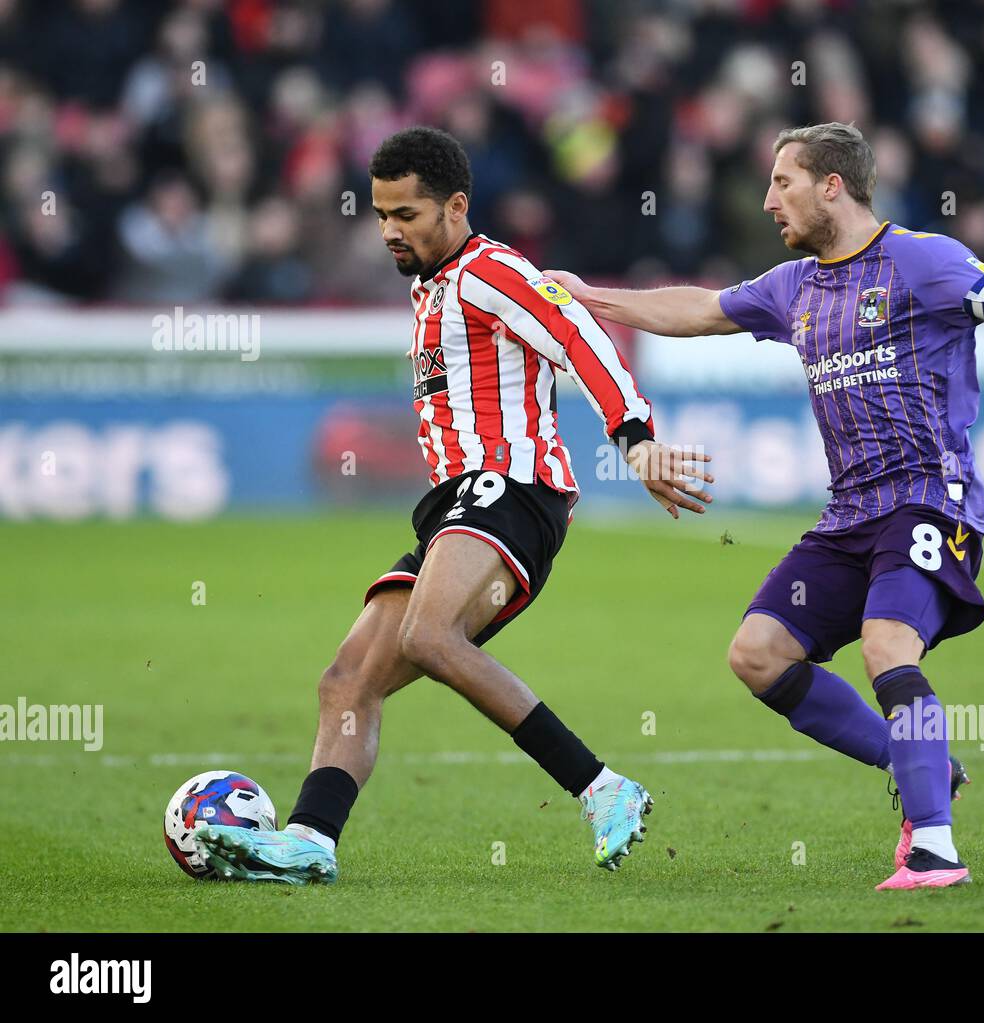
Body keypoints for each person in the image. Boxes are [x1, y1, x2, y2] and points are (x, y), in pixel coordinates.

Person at [546, 121, 984, 890]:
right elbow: (697, 309)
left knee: (886, 643)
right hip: (850, 515)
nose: (770, 201)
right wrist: (589, 295)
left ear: (832, 185)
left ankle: (935, 845)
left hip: (931, 499)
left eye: (783, 183)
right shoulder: (792, 286)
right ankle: (921, 761)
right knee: (757, 653)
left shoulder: (922, 259)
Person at [194, 127, 713, 883]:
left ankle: (602, 786)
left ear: (456, 205)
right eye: (380, 214)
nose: (388, 230)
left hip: (510, 490)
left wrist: (635, 439)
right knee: (347, 681)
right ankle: (310, 838)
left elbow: (578, 332)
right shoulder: (432, 291)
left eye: (406, 213)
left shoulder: (490, 271)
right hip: (451, 508)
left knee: (431, 636)